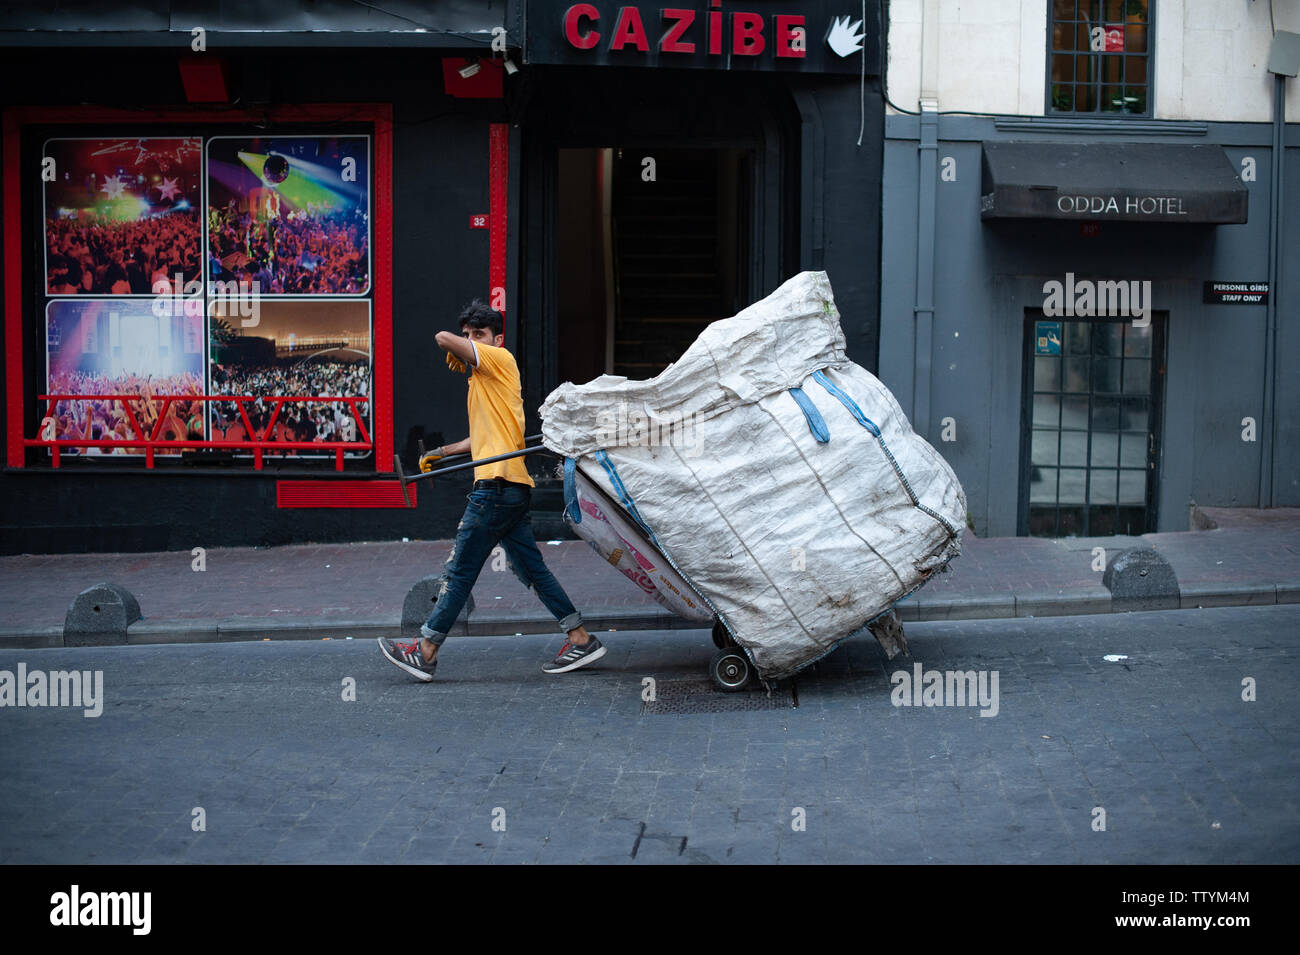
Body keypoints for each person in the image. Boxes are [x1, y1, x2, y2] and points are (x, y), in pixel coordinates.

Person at [379, 300, 604, 681]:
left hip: (495, 490)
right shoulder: (484, 381)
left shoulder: (500, 361)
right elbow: (489, 435)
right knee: (533, 570)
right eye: (468, 335)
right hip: (510, 490)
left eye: (478, 335)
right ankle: (580, 639)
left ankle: (426, 650)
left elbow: (440, 337)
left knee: (460, 571)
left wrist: (456, 343)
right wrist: (442, 452)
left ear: (497, 340)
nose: (471, 341)